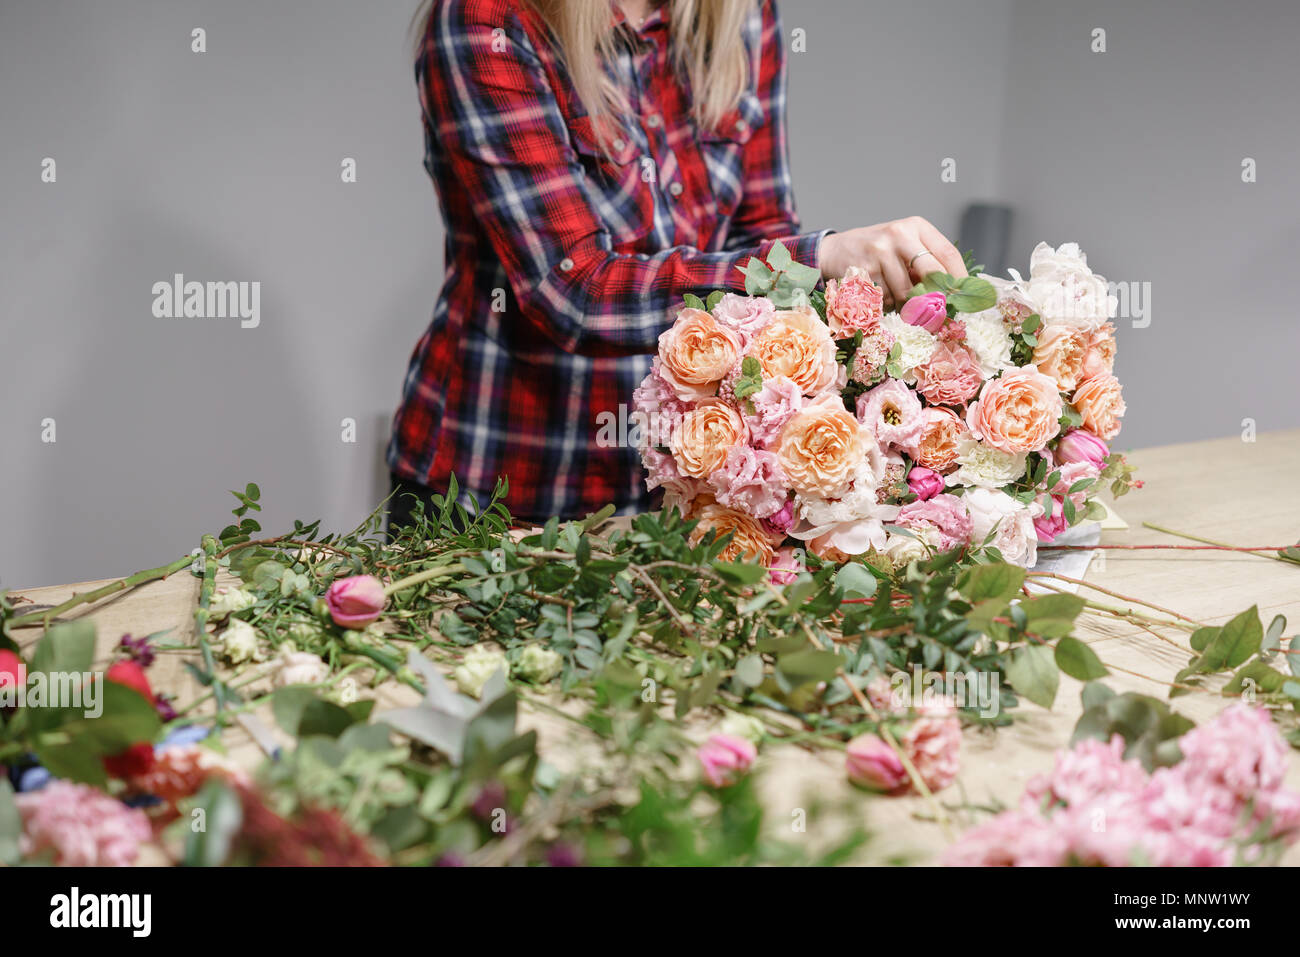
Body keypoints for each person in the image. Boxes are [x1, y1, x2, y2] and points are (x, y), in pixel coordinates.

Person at [387, 0, 966, 533]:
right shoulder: (492, 21)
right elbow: (574, 290)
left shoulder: (737, 13)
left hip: (679, 487)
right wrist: (820, 260)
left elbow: (759, 230)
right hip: (500, 481)